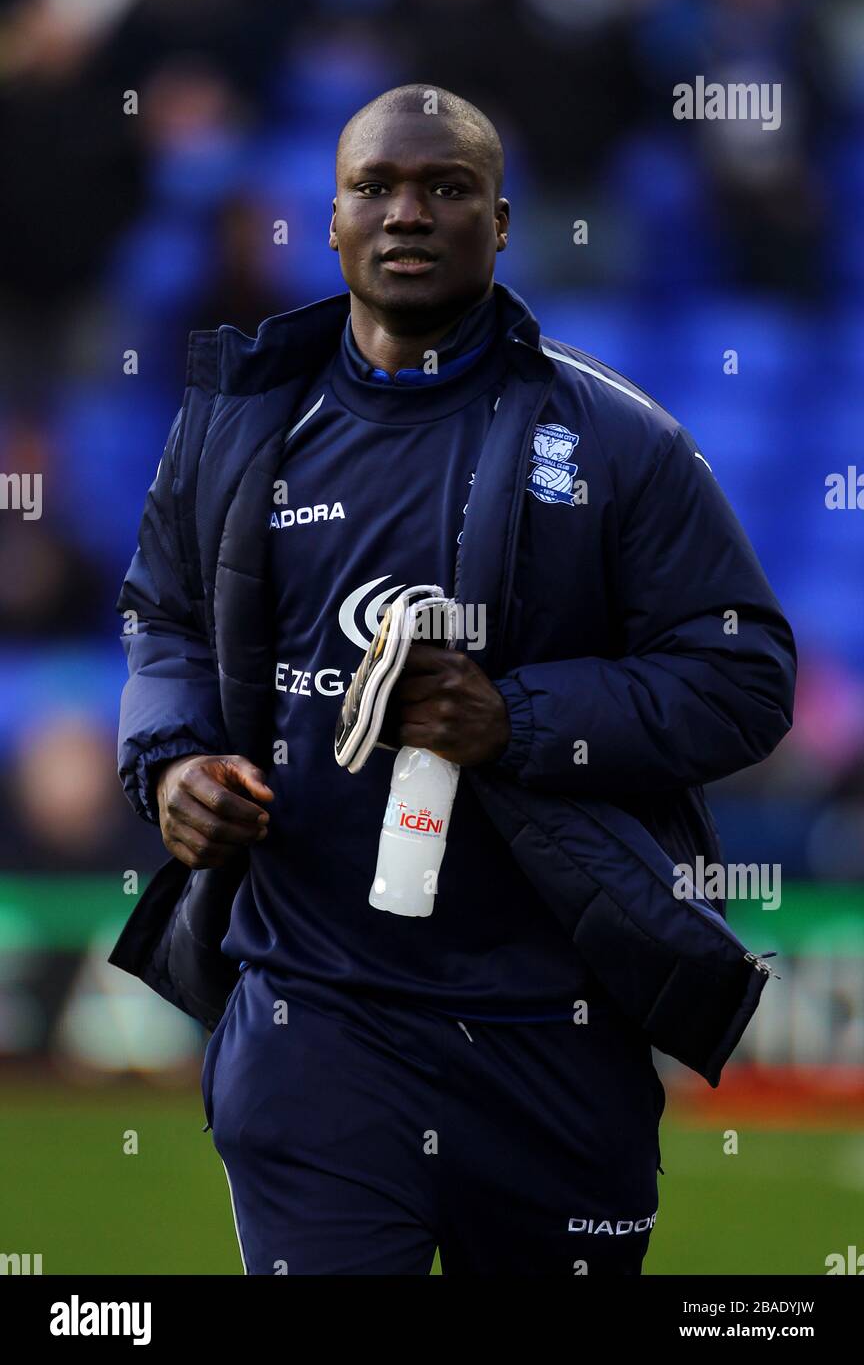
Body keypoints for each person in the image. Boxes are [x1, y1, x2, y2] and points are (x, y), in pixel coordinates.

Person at [113, 85, 796, 1275]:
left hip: (554, 1036)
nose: (407, 212)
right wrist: (170, 760)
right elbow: (162, 618)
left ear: (503, 220)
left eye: (447, 188)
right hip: (313, 1019)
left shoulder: (616, 441)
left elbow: (744, 678)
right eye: (375, 187)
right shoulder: (234, 428)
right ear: (331, 219)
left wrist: (519, 719)